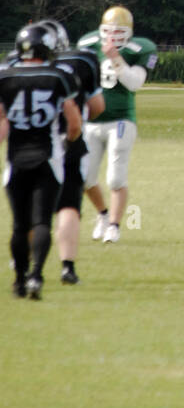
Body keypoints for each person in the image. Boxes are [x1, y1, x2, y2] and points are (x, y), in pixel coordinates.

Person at [0, 23, 82, 299]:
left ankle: (19, 280)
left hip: (16, 159)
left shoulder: (5, 75)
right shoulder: (58, 75)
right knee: (42, 222)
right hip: (48, 157)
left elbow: (2, 121)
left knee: (19, 225)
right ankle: (36, 276)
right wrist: (69, 141)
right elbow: (73, 122)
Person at [77, 7, 158, 245]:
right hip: (91, 122)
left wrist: (115, 58)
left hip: (121, 120)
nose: (113, 36)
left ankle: (114, 225)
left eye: (119, 32)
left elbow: (134, 84)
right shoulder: (88, 43)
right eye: (109, 31)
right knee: (85, 177)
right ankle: (102, 214)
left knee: (115, 178)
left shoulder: (140, 48)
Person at [38, 19, 104, 285]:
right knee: (68, 205)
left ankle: (26, 264)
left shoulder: (14, 66)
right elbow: (97, 105)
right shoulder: (82, 61)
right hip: (69, 140)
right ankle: (67, 266)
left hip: (30, 144)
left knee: (34, 209)